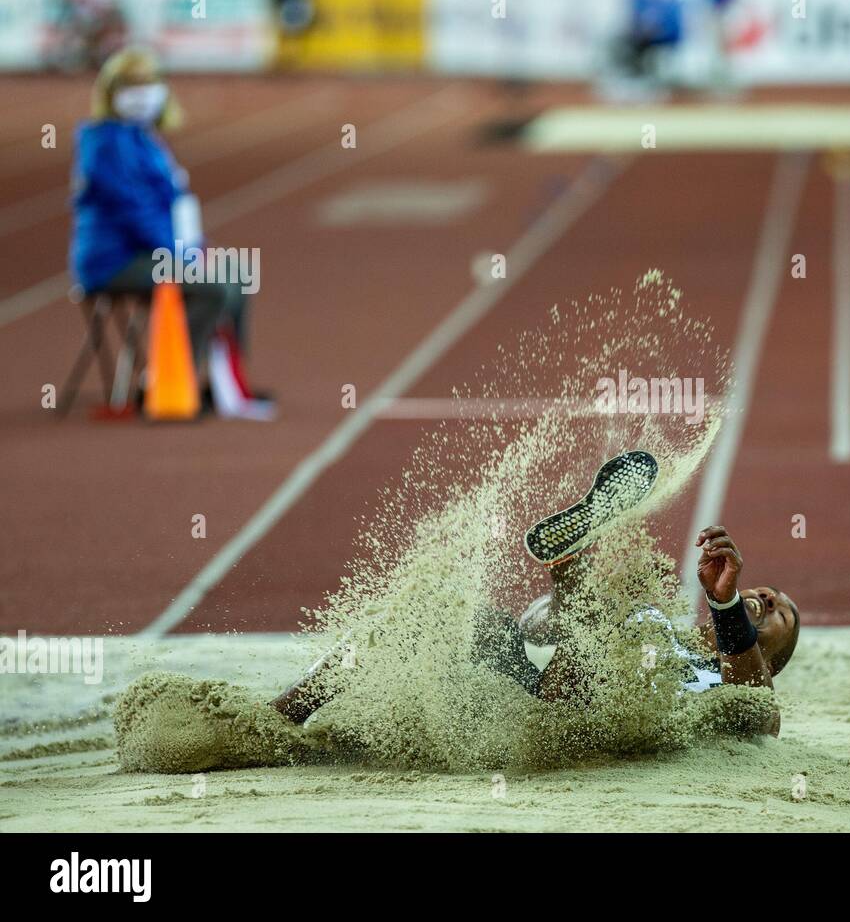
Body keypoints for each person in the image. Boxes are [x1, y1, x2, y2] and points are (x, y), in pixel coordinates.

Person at [271, 451, 800, 735]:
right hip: (531, 699)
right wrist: (557, 611)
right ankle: (279, 717)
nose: (770, 598)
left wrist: (726, 603)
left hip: (590, 728)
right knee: (456, 618)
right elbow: (538, 628)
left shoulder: (744, 701)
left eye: (783, 616)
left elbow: (756, 709)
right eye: (769, 591)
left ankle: (572, 562)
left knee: (612, 654)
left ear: (772, 661)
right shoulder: (656, 620)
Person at [70, 46, 270, 417]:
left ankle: (226, 383)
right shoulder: (105, 142)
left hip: (153, 252)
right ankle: (174, 382)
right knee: (211, 286)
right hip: (115, 260)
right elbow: (135, 211)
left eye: (149, 84)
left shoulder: (145, 138)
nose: (143, 94)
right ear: (111, 92)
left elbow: (173, 202)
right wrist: (180, 256)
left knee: (237, 274)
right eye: (131, 85)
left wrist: (195, 248)